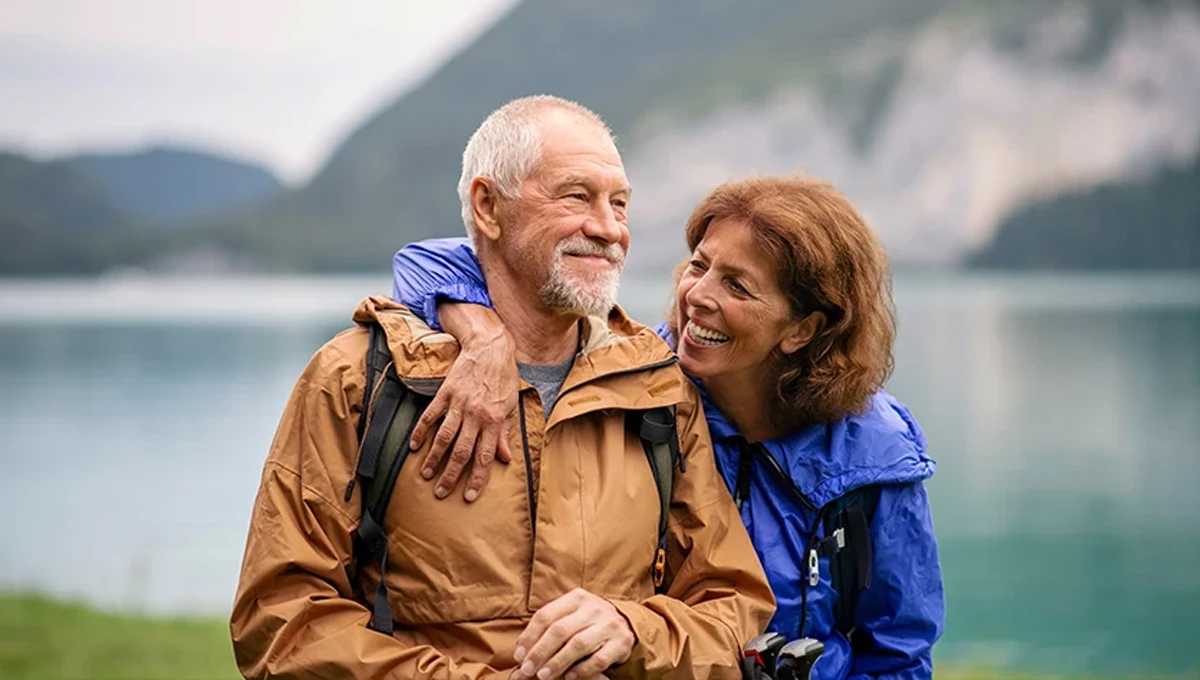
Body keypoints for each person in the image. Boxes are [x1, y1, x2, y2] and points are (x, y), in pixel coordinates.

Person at [229, 96, 775, 680]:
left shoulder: (658, 386)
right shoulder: (357, 379)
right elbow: (282, 623)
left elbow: (733, 605)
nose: (610, 228)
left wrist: (633, 631)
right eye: (576, 196)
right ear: (488, 207)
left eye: (619, 203)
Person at [389, 175, 945, 679]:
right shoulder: (640, 383)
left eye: (738, 286)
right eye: (699, 265)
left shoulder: (874, 454)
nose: (697, 296)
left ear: (803, 329)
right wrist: (483, 333)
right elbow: (422, 262)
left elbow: (898, 651)